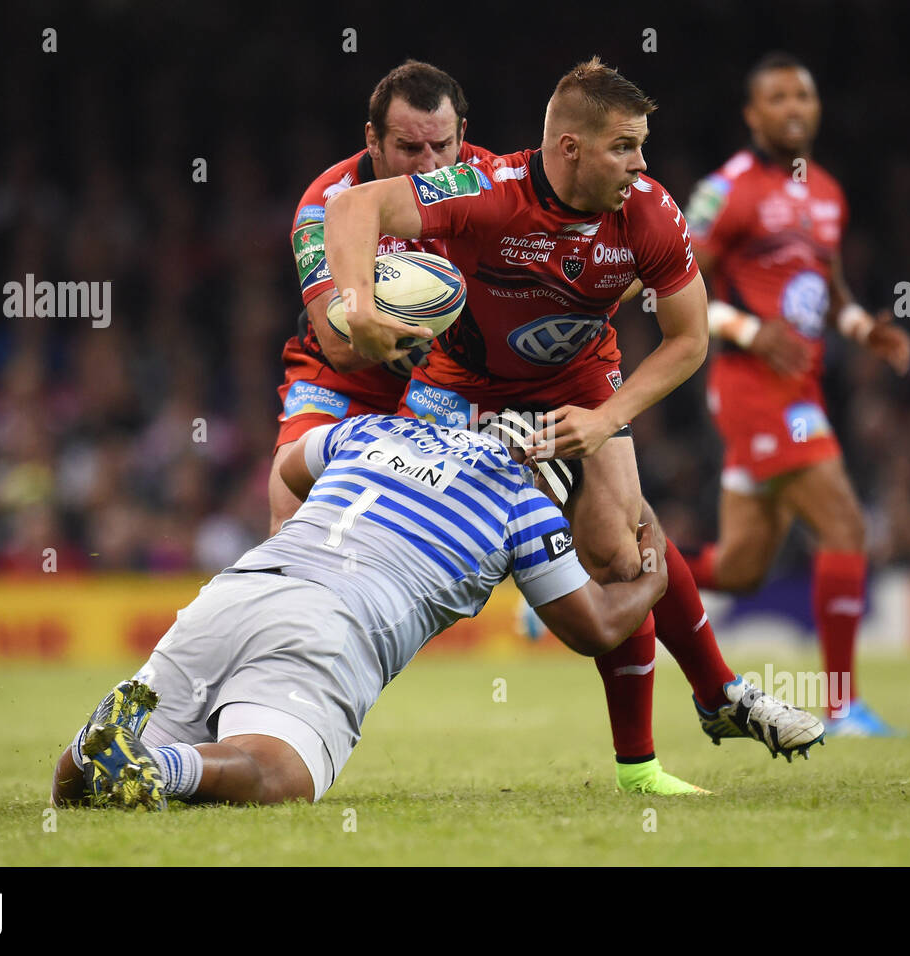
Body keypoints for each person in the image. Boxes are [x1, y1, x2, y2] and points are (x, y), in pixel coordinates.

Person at [323, 57, 824, 792]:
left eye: (641, 144)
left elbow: (689, 339)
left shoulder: (651, 212)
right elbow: (352, 209)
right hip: (458, 388)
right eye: (624, 145)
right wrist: (360, 307)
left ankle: (647, 764)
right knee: (397, 554)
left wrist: (608, 418)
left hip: (577, 383)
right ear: (569, 150)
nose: (640, 162)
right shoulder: (485, 192)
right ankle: (719, 693)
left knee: (622, 552)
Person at [50, 412, 669, 808]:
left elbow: (290, 466)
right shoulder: (522, 503)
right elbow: (597, 628)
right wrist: (654, 577)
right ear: (553, 479)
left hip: (237, 587)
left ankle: (98, 746)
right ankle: (160, 765)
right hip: (332, 623)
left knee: (72, 793)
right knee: (279, 773)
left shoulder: (375, 429)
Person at [681, 52, 910, 735]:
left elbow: (828, 290)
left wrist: (862, 326)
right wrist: (751, 332)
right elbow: (679, 289)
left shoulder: (829, 193)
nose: (792, 108)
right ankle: (842, 706)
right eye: (777, 98)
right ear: (753, 114)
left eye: (803, 97)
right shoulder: (726, 191)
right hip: (755, 387)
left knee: (742, 567)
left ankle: (609, 580)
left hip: (798, 385)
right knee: (844, 524)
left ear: (816, 108)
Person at [270, 60, 494, 535]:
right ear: (373, 139)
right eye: (409, 148)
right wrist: (391, 320)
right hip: (340, 381)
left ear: (463, 134)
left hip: (451, 381)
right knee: (289, 500)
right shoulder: (324, 203)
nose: (430, 166)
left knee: (417, 526)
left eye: (443, 146)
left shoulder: (492, 182)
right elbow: (337, 347)